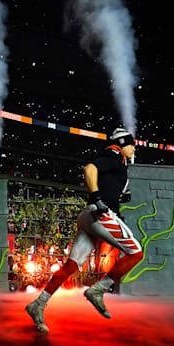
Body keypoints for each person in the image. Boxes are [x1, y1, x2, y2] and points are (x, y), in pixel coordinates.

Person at [24, 127, 144, 334]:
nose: (134, 149)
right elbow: (90, 169)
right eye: (132, 144)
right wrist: (98, 197)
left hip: (88, 216)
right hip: (99, 214)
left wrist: (113, 198)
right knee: (136, 252)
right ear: (123, 143)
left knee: (71, 265)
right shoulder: (116, 154)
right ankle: (97, 290)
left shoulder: (117, 162)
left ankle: (38, 304)